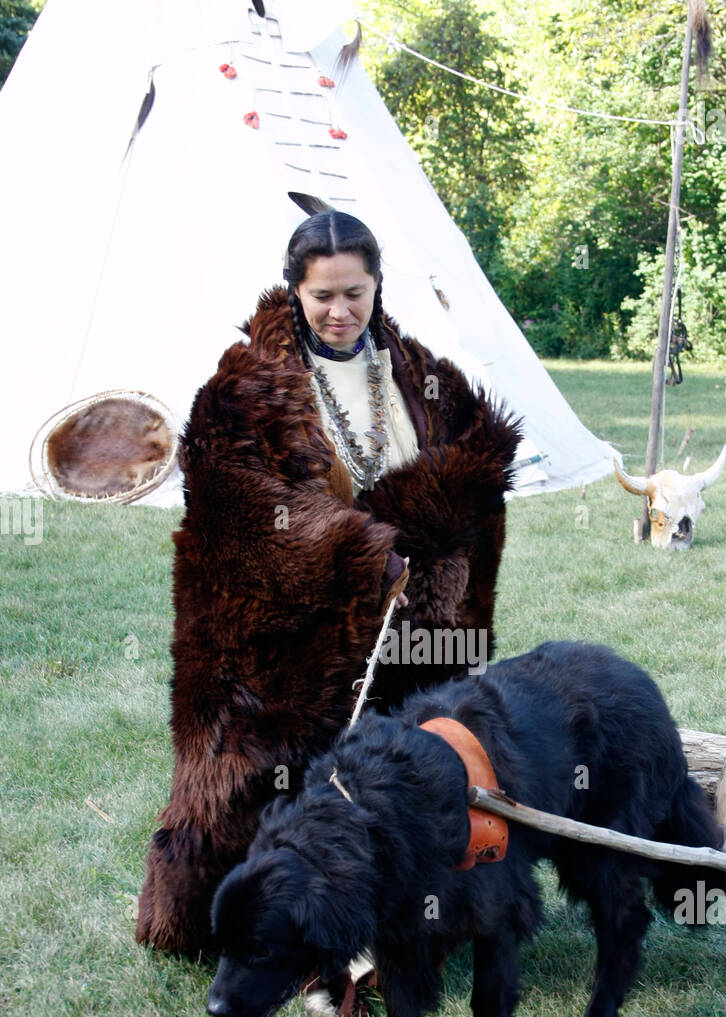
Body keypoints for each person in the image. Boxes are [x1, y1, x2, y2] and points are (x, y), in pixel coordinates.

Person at [137, 203, 521, 956]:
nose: (340, 311)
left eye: (355, 293)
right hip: (295, 649)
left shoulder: (421, 378)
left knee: (405, 775)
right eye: (322, 295)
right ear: (294, 293)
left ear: (378, 288)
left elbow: (475, 467)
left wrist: (443, 533)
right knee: (270, 782)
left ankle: (389, 923)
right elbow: (232, 509)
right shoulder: (245, 390)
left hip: (412, 636)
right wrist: (359, 555)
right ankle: (252, 917)